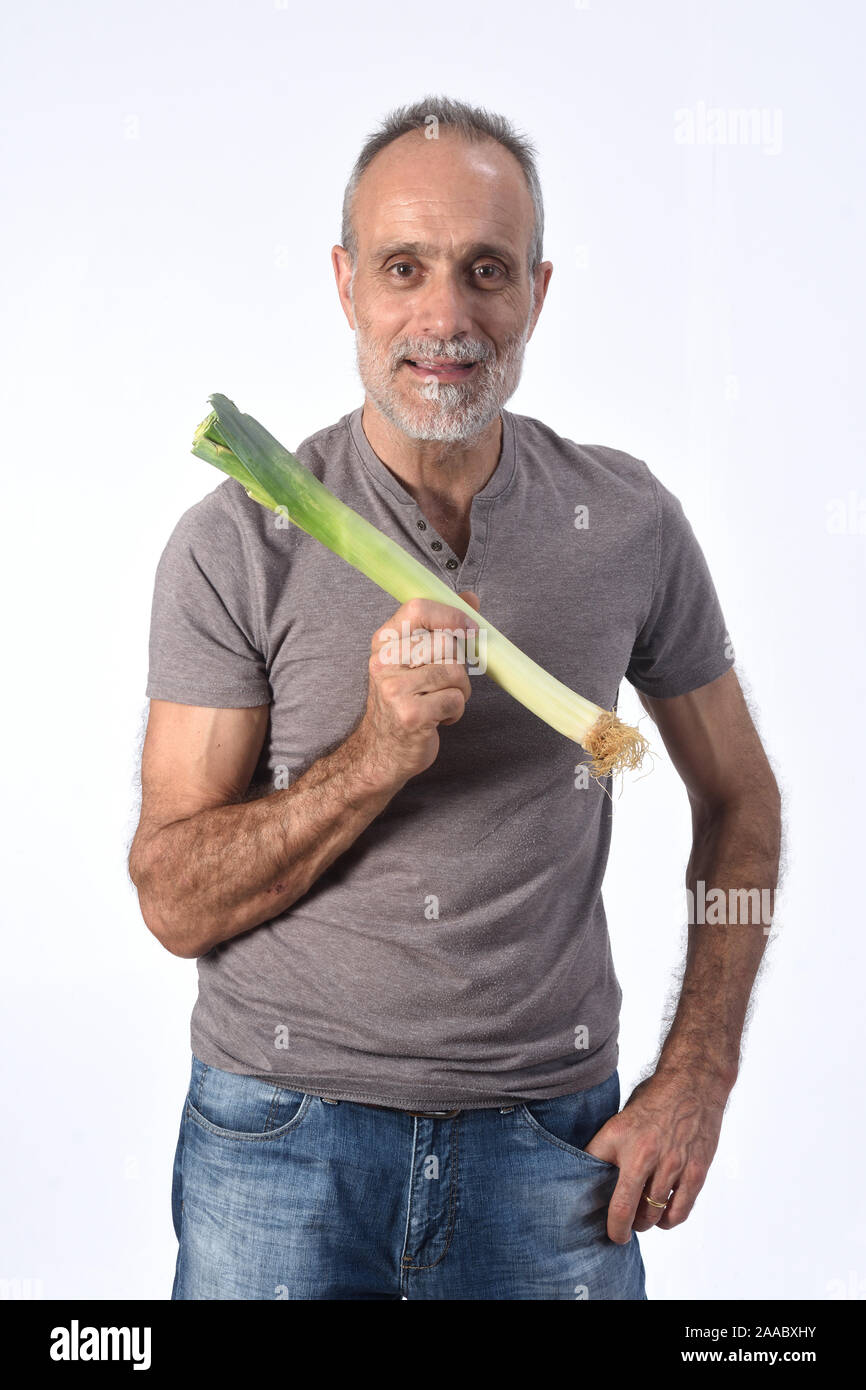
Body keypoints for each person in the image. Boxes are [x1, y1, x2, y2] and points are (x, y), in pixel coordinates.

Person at [128, 95, 782, 1301]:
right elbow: (174, 896)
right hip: (278, 1147)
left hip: (555, 1155)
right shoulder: (238, 541)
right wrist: (374, 754)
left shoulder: (626, 521)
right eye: (402, 267)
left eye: (485, 270)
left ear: (536, 290)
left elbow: (739, 799)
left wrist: (698, 1071)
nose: (443, 317)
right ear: (344, 284)